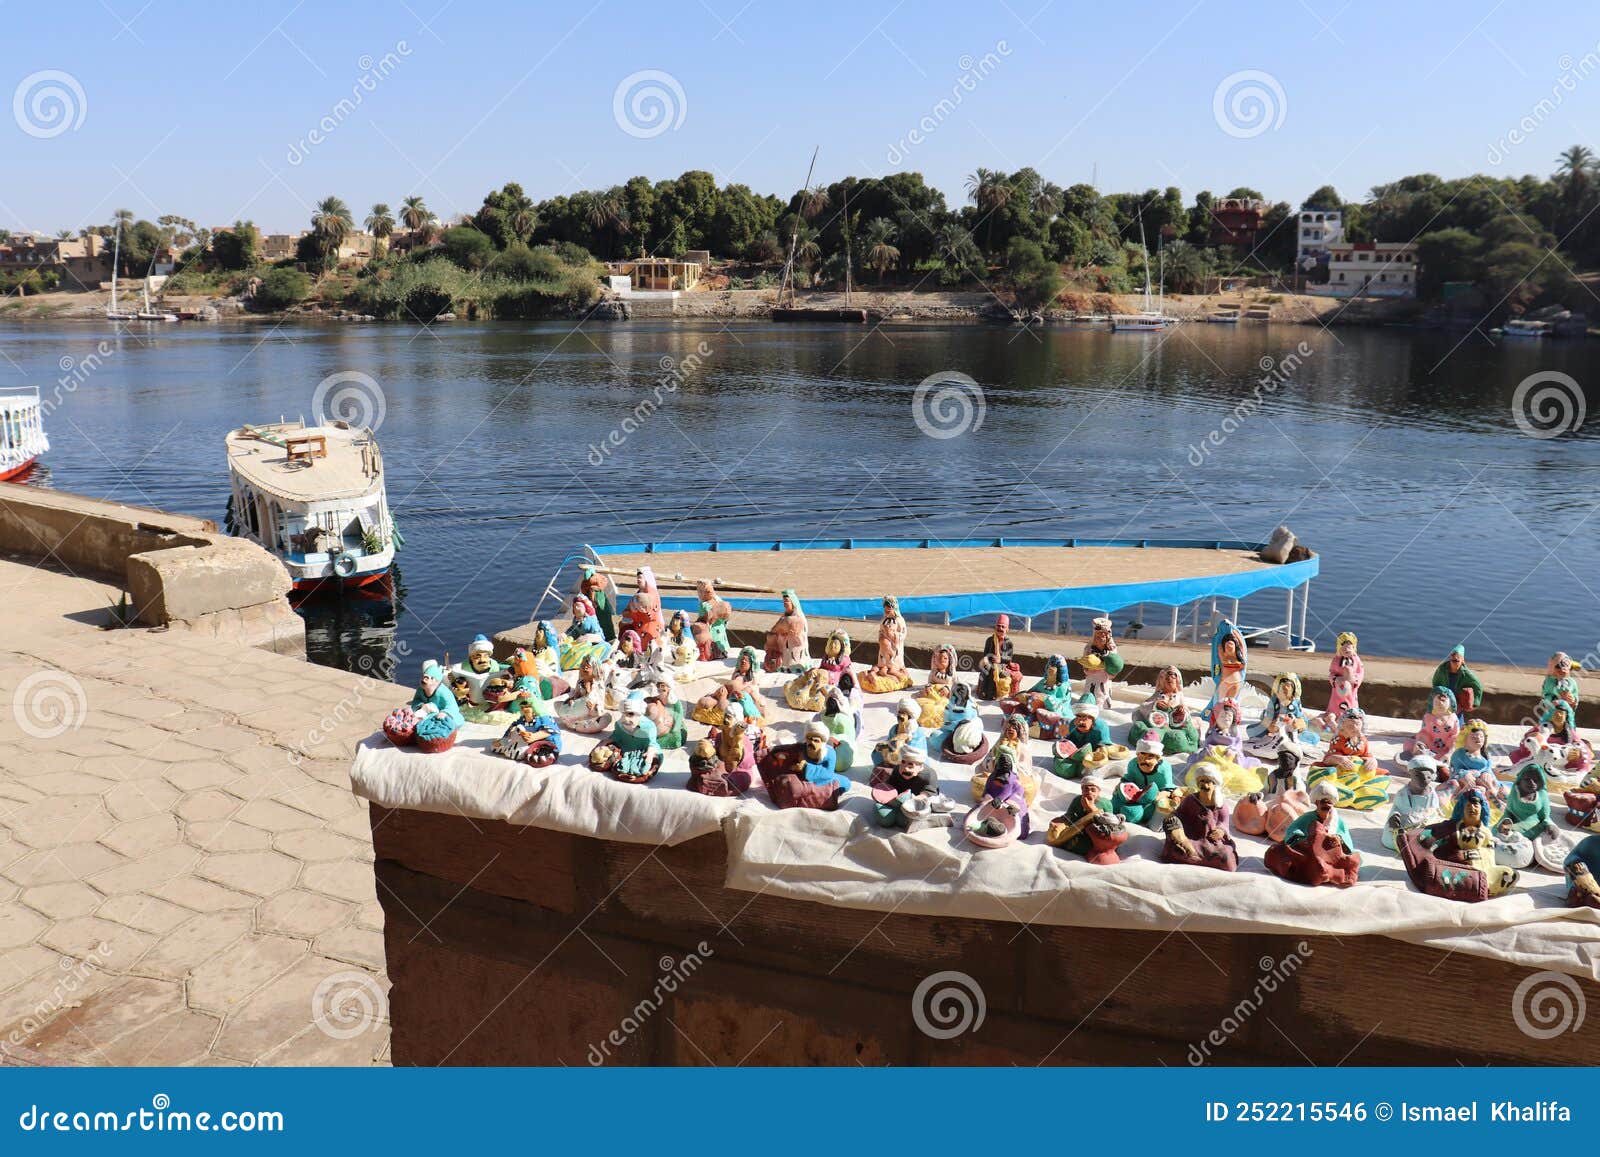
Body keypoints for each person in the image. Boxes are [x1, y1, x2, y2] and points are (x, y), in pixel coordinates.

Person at [1264, 780, 1360, 887]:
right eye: (1322, 802)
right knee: (1281, 855)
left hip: (1330, 854)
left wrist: (1338, 839)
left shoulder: (1337, 821)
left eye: (1329, 803)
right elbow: (1293, 829)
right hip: (1306, 851)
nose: (1326, 806)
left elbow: (1345, 837)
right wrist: (1301, 838)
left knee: (1348, 863)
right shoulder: (1307, 818)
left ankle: (1332, 873)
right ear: (1317, 803)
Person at [1161, 764, 1237, 871]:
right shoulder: (1190, 799)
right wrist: (1173, 818)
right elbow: (1180, 814)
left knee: (1226, 858)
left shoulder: (1221, 805)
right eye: (1201, 781)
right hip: (1192, 836)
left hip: (1210, 840)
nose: (1204, 784)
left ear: (1214, 784)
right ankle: (1188, 849)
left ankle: (1195, 856)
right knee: (1175, 850)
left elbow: (1224, 822)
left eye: (1207, 781)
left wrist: (1221, 831)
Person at [1046, 776, 1127, 863]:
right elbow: (1070, 816)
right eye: (1086, 789)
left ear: (1099, 791)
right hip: (1079, 829)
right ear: (1082, 790)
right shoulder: (1077, 800)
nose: (1089, 792)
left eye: (1093, 790)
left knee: (1090, 844)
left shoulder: (1105, 803)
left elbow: (1110, 822)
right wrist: (1062, 822)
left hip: (1097, 833)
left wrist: (1092, 809)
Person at [1110, 732, 1174, 827]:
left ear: (1158, 758)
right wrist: (1120, 786)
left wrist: (1158, 796)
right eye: (1141, 757)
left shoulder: (1164, 769)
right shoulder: (1133, 764)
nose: (1145, 761)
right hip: (1133, 796)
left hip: (1152, 799)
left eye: (1150, 757)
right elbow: (1128, 780)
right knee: (1115, 801)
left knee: (1135, 812)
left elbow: (1168, 789)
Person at [860, 595, 913, 693]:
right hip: (883, 650)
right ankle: (881, 670)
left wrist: (892, 635)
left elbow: (903, 634)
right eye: (885, 611)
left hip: (894, 649)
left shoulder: (900, 621)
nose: (887, 613)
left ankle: (893, 671)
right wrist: (882, 636)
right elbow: (880, 631)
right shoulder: (884, 620)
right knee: (882, 663)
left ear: (894, 609)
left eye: (889, 611)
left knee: (893, 664)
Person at [408, 660, 464, 744]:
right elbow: (416, 701)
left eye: (430, 678)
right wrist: (421, 705)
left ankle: (438, 735)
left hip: (443, 714)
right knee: (417, 720)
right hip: (427, 713)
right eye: (424, 677)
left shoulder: (443, 692)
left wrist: (445, 712)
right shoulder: (420, 690)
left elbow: (452, 706)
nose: (425, 680)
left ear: (436, 681)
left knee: (454, 721)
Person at [762, 589, 809, 673]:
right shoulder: (784, 617)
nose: (785, 604)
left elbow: (798, 636)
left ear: (793, 602)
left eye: (787, 601)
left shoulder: (798, 618)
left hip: (795, 651)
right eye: (784, 602)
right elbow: (775, 630)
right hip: (784, 650)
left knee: (793, 662)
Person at [1430, 644, 1482, 717]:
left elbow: (1477, 686)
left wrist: (1475, 703)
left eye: (1457, 660)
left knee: (1456, 722)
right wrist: (1438, 693)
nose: (1455, 661)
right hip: (1444, 701)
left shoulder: (1466, 674)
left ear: (1462, 660)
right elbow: (1435, 682)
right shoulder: (1442, 670)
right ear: (1450, 658)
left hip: (1458, 704)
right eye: (1453, 659)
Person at [975, 614, 1018, 700]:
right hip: (990, 662)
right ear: (995, 627)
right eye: (998, 626)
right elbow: (986, 653)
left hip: (1002, 665)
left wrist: (1000, 659)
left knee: (995, 671)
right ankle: (983, 692)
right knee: (986, 669)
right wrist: (987, 659)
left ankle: (993, 694)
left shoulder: (1009, 643)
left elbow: (1009, 658)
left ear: (1007, 629)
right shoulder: (989, 640)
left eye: (1003, 627)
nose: (1000, 629)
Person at [693, 579, 732, 660]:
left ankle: (720, 652)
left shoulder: (714, 601)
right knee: (716, 642)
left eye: (710, 589)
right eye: (706, 591)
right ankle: (717, 653)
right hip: (715, 628)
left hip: (717, 628)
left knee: (718, 641)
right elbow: (703, 620)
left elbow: (726, 612)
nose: (709, 591)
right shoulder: (708, 603)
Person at [578, 566, 617, 641]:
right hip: (597, 605)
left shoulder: (595, 587)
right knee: (603, 621)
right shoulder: (594, 586)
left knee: (604, 621)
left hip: (599, 606)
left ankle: (607, 638)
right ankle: (607, 637)